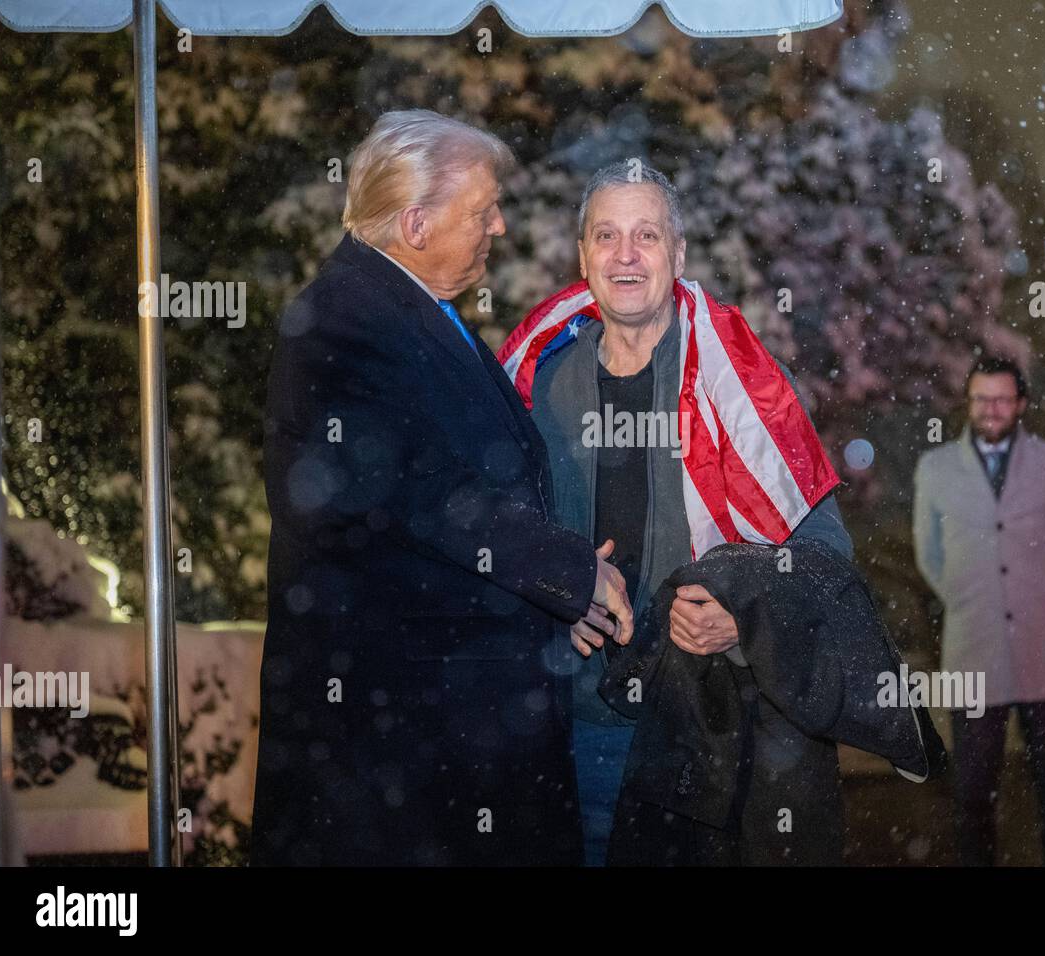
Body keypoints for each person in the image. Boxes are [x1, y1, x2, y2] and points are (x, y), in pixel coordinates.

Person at [499, 163, 942, 865]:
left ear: (678, 255)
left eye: (646, 235)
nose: (625, 254)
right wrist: (557, 586)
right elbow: (500, 534)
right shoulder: (538, 384)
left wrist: (743, 615)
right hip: (573, 729)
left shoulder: (746, 386)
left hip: (706, 734)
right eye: (605, 235)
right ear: (582, 257)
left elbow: (823, 549)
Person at [251, 110, 633, 866]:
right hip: (399, 762)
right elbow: (417, 493)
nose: (498, 223)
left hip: (438, 750)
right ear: (416, 223)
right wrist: (566, 568)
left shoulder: (410, 312)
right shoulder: (344, 321)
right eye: (482, 208)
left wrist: (557, 601)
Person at [912, 356, 1045, 866]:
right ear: (967, 403)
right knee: (972, 799)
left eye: (1002, 399)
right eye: (981, 399)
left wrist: (1033, 599)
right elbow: (930, 555)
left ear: (1021, 404)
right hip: (973, 651)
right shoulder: (937, 468)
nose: (991, 410)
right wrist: (974, 598)